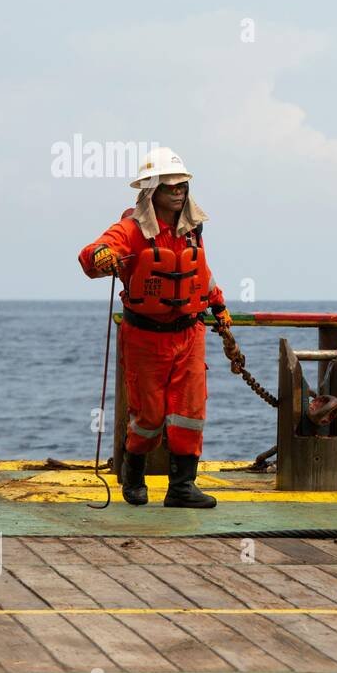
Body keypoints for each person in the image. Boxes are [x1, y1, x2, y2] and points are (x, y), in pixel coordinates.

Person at [78, 147, 231, 509]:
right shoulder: (131, 230)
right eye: (169, 186)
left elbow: (200, 275)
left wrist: (220, 308)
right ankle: (133, 475)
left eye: (182, 186)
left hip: (189, 333)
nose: (178, 192)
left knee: (189, 411)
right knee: (148, 414)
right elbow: (92, 254)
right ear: (151, 190)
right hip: (145, 336)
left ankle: (182, 487)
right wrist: (100, 255)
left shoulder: (193, 228)